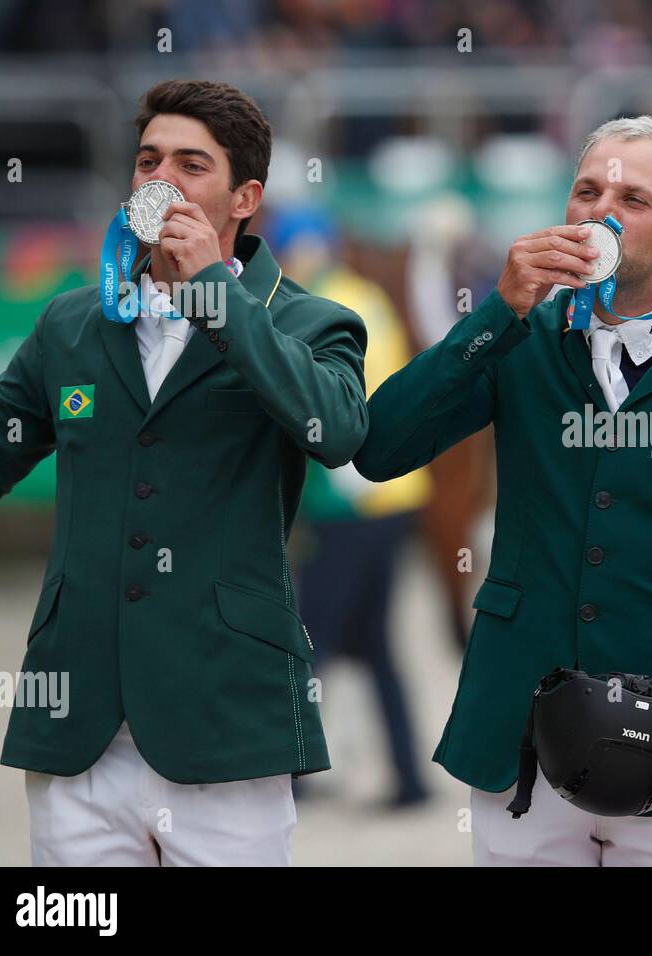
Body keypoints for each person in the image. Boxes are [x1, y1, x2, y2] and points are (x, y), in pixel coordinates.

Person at [355, 115, 652, 866]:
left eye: (633, 197)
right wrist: (497, 313)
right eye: (586, 190)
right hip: (519, 735)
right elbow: (380, 448)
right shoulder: (517, 339)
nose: (601, 210)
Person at [0, 79, 369, 865]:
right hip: (76, 721)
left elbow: (338, 431)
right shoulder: (70, 324)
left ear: (243, 197)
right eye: (148, 160)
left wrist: (216, 296)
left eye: (191, 165)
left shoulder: (309, 320)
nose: (162, 180)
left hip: (226, 720)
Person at [271, 206, 433, 808]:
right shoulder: (360, 295)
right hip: (389, 498)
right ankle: (409, 779)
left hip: (351, 501)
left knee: (311, 638)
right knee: (371, 643)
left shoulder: (318, 308)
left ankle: (289, 773)